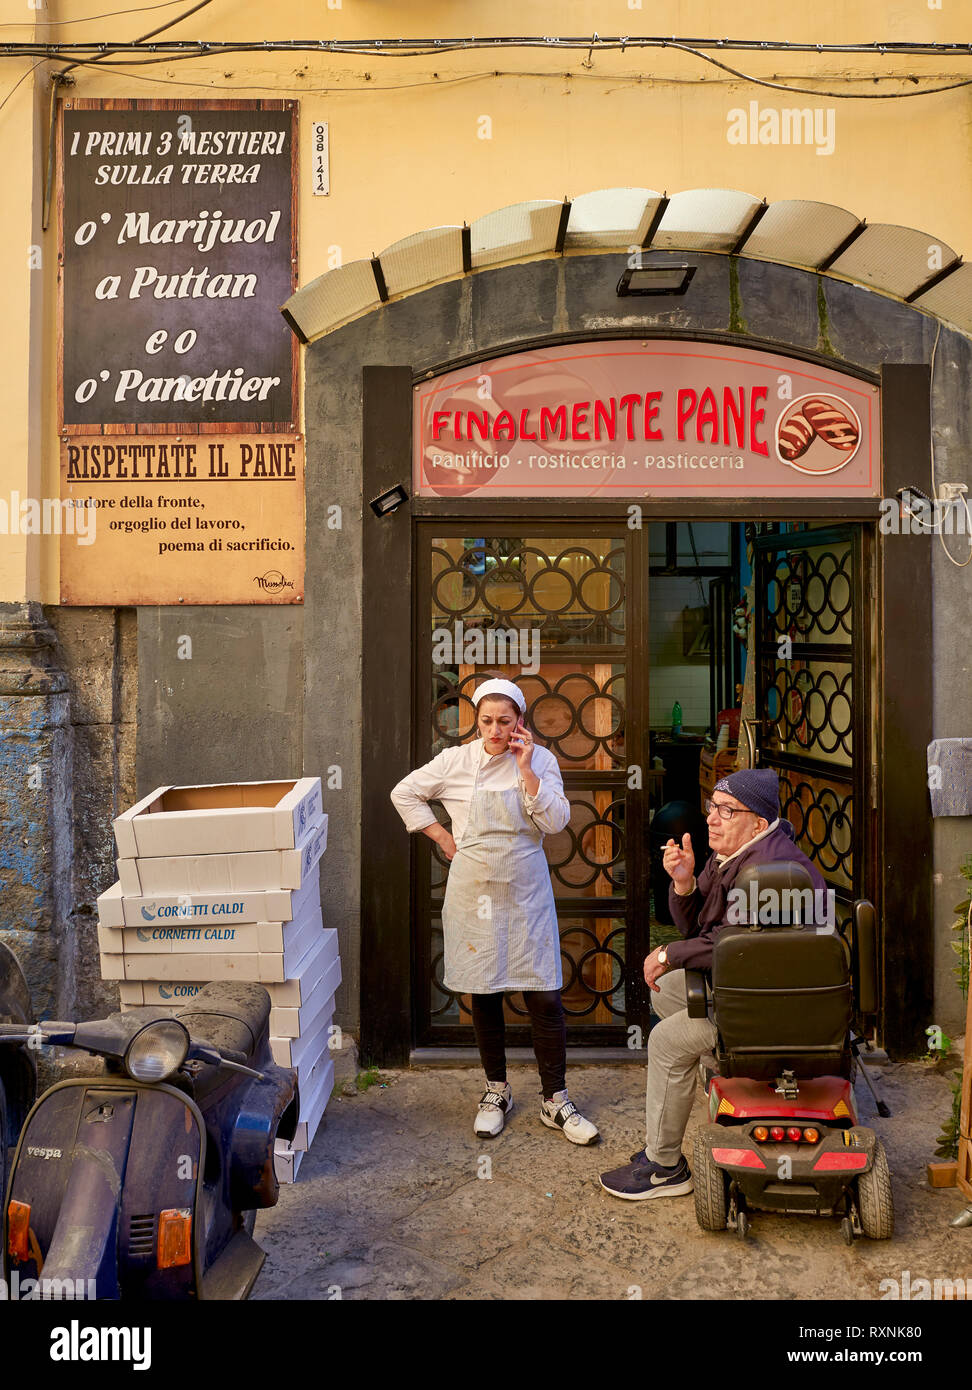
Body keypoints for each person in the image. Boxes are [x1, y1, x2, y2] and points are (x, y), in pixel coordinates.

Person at [599, 768, 827, 1200]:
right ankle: (720, 1071)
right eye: (712, 808)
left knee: (666, 1039)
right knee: (666, 991)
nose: (711, 819)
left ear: (758, 822)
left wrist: (668, 955)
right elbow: (699, 928)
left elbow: (729, 946)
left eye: (726, 810)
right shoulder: (736, 856)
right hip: (750, 991)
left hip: (775, 1012)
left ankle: (665, 1167)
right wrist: (683, 883)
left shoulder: (772, 872)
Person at [390, 677, 599, 1145]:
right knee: (484, 991)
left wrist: (526, 771)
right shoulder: (456, 760)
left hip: (526, 891)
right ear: (477, 720)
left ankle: (555, 1100)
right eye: (487, 721)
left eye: (505, 722)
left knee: (543, 994)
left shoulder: (541, 759)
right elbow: (403, 793)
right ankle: (496, 1091)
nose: (495, 730)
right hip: (474, 891)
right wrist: (444, 837)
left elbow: (557, 821)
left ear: (519, 721)